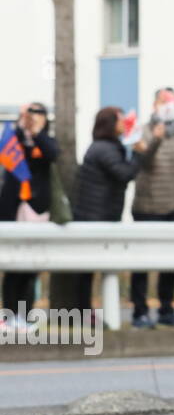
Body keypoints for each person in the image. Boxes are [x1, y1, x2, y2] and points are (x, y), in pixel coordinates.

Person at [129, 88, 174, 328]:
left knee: (169, 263)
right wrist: (156, 138)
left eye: (171, 101)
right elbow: (143, 160)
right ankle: (140, 311)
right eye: (162, 101)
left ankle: (166, 309)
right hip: (145, 206)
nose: (166, 105)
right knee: (141, 265)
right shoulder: (142, 131)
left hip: (172, 206)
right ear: (154, 105)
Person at [70, 107, 140, 314]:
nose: (124, 124)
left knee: (88, 271)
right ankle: (83, 311)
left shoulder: (105, 147)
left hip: (97, 216)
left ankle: (85, 311)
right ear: (110, 123)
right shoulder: (104, 149)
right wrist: (138, 154)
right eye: (120, 120)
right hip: (96, 217)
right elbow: (124, 173)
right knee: (87, 271)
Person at [0, 103, 60, 326]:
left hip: (36, 208)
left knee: (31, 266)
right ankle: (9, 314)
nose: (34, 118)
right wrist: (21, 126)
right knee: (13, 265)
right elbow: (4, 150)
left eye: (38, 115)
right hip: (13, 208)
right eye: (30, 115)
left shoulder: (45, 140)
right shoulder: (14, 138)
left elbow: (53, 154)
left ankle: (25, 314)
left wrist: (36, 132)